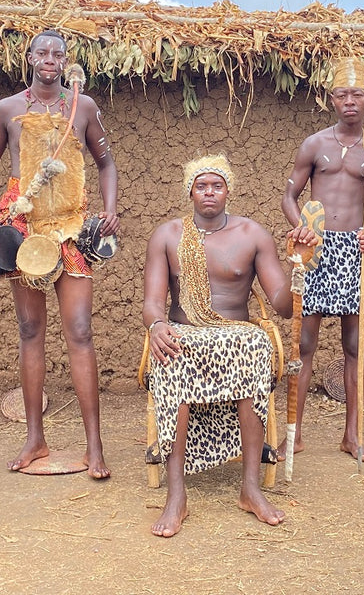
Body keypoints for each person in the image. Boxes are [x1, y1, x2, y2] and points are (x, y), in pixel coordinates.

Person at [0, 30, 118, 479]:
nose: (50, 59)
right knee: (30, 329)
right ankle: (35, 438)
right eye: (42, 52)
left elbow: (105, 162)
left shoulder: (83, 107)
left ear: (66, 60)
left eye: (58, 53)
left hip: (72, 225)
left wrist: (109, 210)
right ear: (30, 57)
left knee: (79, 330)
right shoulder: (8, 109)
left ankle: (95, 447)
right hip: (23, 226)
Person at [143, 155, 293, 537]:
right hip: (183, 332)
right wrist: (158, 325)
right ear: (189, 192)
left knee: (254, 344)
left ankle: (250, 488)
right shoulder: (168, 235)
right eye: (201, 186)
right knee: (171, 351)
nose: (209, 192)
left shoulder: (253, 234)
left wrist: (302, 268)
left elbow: (282, 302)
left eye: (217, 185)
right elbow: (152, 302)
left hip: (235, 332)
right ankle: (177, 495)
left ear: (228, 190)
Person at [281, 56, 364, 462]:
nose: (350, 101)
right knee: (304, 343)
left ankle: (352, 435)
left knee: (353, 345)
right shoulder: (315, 145)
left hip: (353, 253)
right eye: (342, 94)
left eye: (357, 94)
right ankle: (294, 433)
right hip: (316, 250)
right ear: (331, 99)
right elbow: (289, 197)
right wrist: (302, 229)